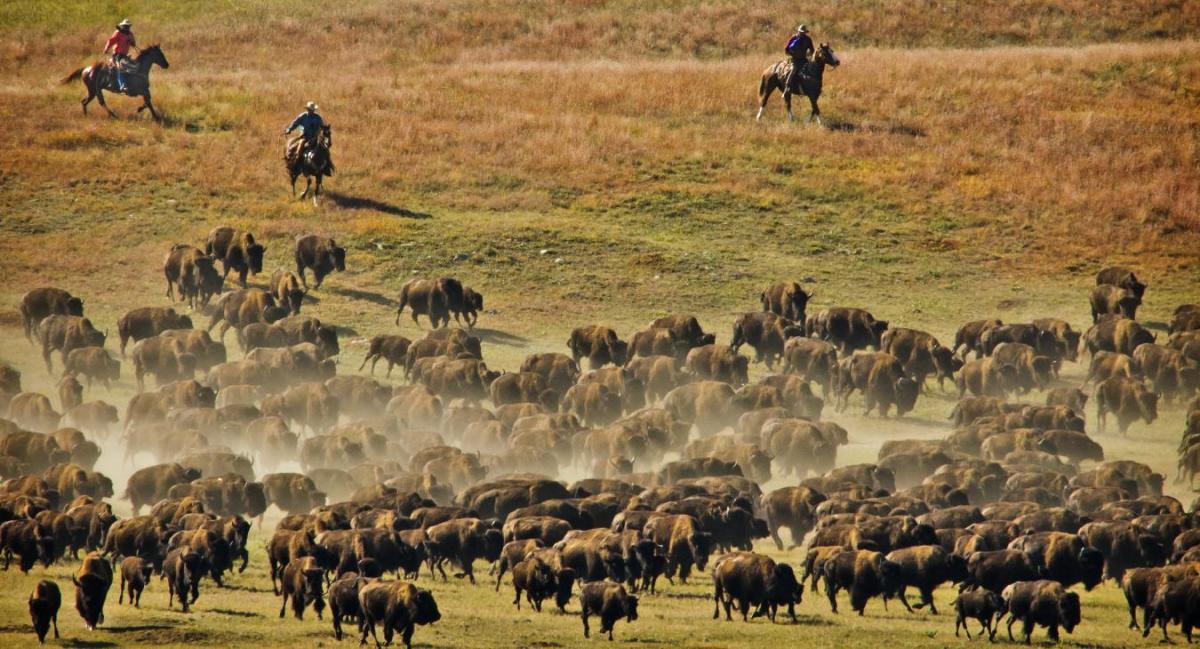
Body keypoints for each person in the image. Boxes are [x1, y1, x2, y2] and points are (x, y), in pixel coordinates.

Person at [103, 18, 138, 92]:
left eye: (128, 26)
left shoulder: (130, 34)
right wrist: (106, 49)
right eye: (125, 26)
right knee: (120, 68)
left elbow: (134, 44)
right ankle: (122, 85)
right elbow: (111, 41)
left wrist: (131, 42)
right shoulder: (118, 33)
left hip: (125, 56)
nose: (127, 27)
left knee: (134, 66)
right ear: (122, 26)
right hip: (117, 55)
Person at [784, 24, 814, 96]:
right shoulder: (794, 38)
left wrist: (808, 55)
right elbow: (786, 49)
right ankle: (787, 86)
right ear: (798, 31)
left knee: (812, 69)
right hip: (794, 59)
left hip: (804, 59)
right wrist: (792, 54)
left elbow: (812, 50)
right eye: (801, 32)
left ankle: (813, 87)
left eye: (803, 32)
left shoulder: (808, 39)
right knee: (793, 70)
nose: (802, 33)